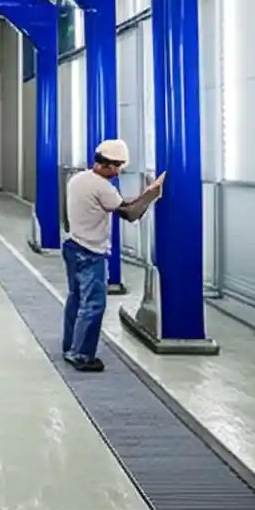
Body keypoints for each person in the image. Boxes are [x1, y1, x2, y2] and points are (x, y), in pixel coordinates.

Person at [62, 139, 166, 372]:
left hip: (73, 246)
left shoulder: (78, 179)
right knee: (93, 304)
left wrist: (141, 195)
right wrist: (152, 194)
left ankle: (70, 346)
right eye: (117, 166)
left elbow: (118, 203)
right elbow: (130, 214)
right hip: (90, 252)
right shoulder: (102, 186)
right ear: (106, 164)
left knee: (75, 299)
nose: (118, 172)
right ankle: (81, 355)